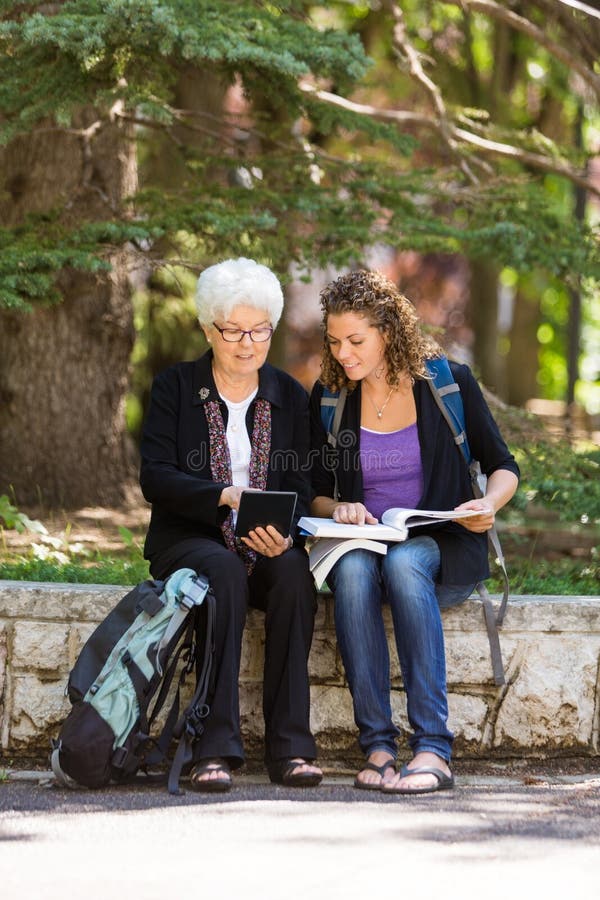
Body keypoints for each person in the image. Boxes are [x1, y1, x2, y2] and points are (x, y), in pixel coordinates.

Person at [309, 269, 519, 795]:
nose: (344, 354)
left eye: (356, 341)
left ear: (389, 331)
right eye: (334, 342)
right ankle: (378, 748)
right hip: (364, 543)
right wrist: (340, 508)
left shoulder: (446, 383)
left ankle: (433, 749)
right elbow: (312, 488)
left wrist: (487, 504)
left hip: (440, 543)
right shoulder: (332, 396)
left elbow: (503, 465)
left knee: (405, 563)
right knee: (353, 571)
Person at [140, 257, 322, 792]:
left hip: (264, 539)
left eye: (260, 330)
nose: (248, 343)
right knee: (221, 570)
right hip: (191, 539)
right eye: (234, 330)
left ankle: (290, 747)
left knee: (292, 575)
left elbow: (305, 482)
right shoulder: (175, 388)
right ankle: (212, 746)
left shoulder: (289, 395)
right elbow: (156, 477)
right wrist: (224, 495)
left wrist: (285, 529)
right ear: (207, 329)